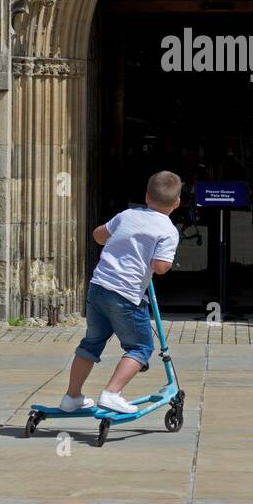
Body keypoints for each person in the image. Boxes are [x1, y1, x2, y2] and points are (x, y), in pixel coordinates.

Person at [60, 171, 182, 416]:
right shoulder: (168, 230)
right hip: (126, 295)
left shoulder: (128, 215)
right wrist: (166, 263)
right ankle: (111, 393)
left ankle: (72, 396)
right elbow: (159, 267)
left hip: (99, 287)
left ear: (146, 197)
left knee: (92, 342)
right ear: (177, 203)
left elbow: (98, 235)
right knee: (140, 348)